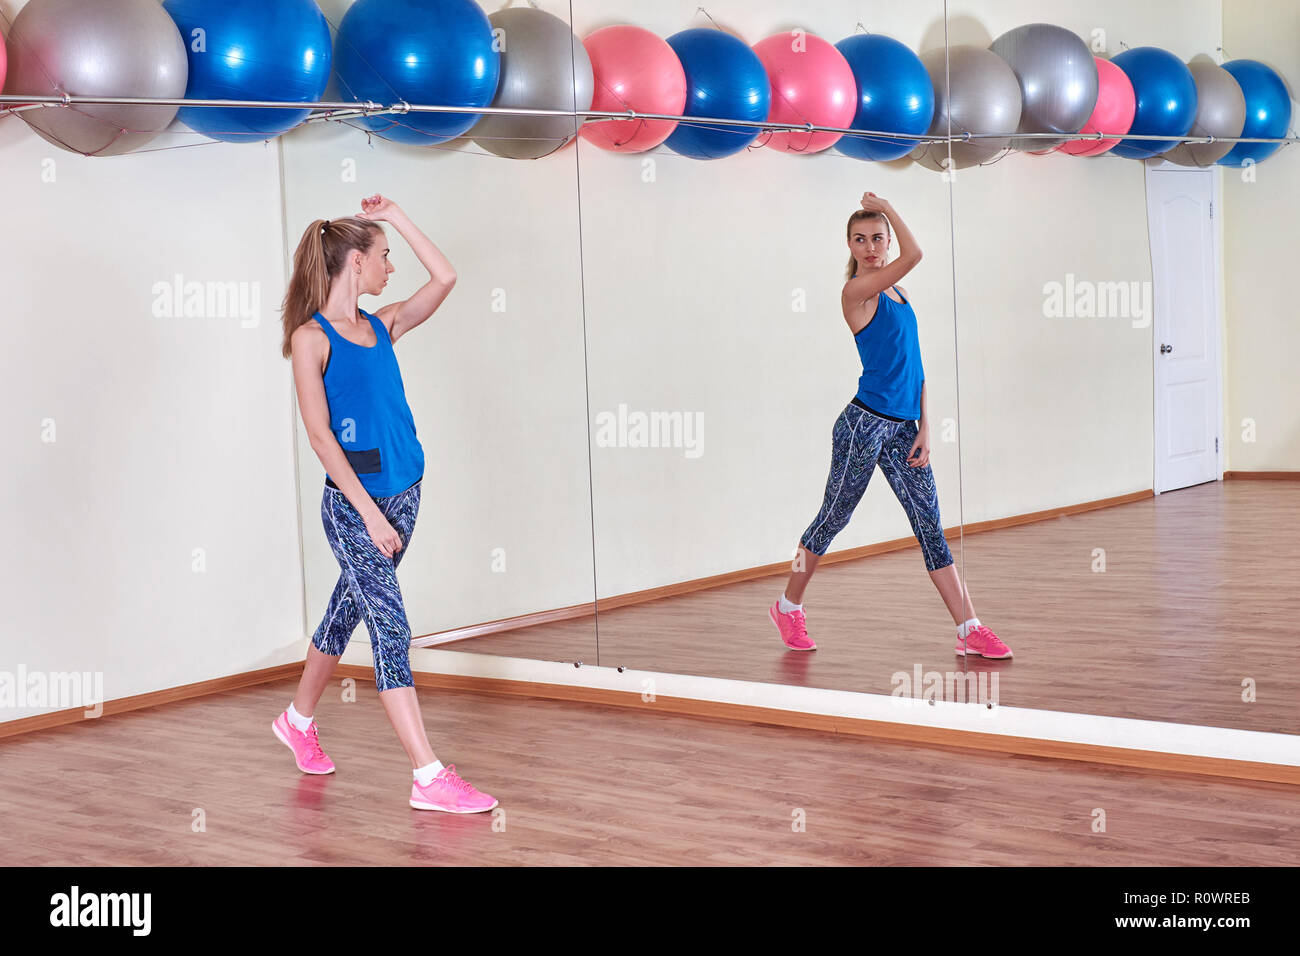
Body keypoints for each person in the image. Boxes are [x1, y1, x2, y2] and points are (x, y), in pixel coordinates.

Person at [272, 194, 498, 813]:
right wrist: (369, 516)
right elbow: (321, 437)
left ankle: (297, 720)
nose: (390, 268)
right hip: (355, 510)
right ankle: (428, 775)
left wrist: (395, 217)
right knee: (390, 627)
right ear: (355, 263)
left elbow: (445, 277)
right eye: (384, 256)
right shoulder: (310, 339)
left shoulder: (382, 325)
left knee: (347, 611)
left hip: (405, 495)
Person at [769, 192, 1011, 660]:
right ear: (850, 245)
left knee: (930, 527)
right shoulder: (856, 293)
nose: (871, 247)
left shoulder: (900, 294)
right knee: (831, 520)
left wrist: (925, 426)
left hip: (904, 429)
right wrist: (887, 206)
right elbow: (915, 254)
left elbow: (915, 366)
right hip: (863, 425)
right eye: (860, 239)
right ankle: (787, 606)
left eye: (878, 238)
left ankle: (969, 628)